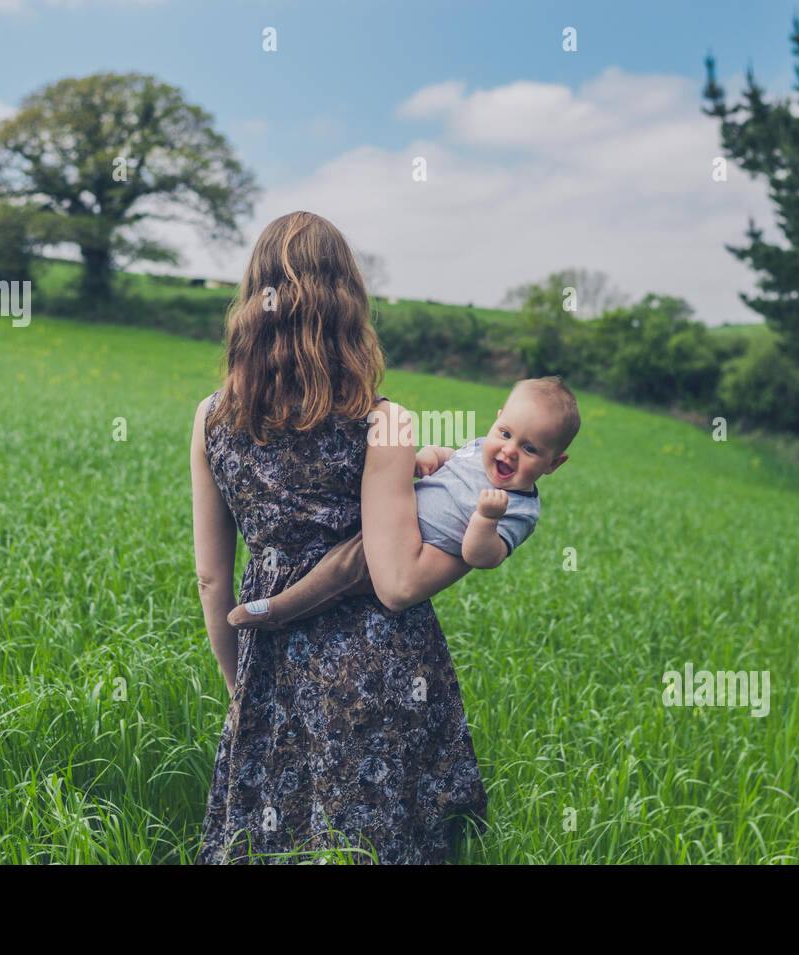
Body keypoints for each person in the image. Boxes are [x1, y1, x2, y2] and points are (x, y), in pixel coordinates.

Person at [190, 210, 488, 864]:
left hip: (270, 658)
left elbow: (212, 576)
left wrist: (242, 683)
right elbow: (391, 574)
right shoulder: (382, 420)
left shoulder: (213, 417)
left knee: (267, 846)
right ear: (347, 303)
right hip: (381, 668)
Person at [225, 377, 577, 632]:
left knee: (342, 570)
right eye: (506, 433)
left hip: (420, 548)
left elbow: (482, 557)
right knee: (334, 542)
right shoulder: (481, 446)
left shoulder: (519, 508)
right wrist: (429, 456)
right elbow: (452, 457)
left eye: (530, 449)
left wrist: (486, 518)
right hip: (398, 521)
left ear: (553, 464)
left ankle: (275, 611)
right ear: (498, 420)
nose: (509, 450)